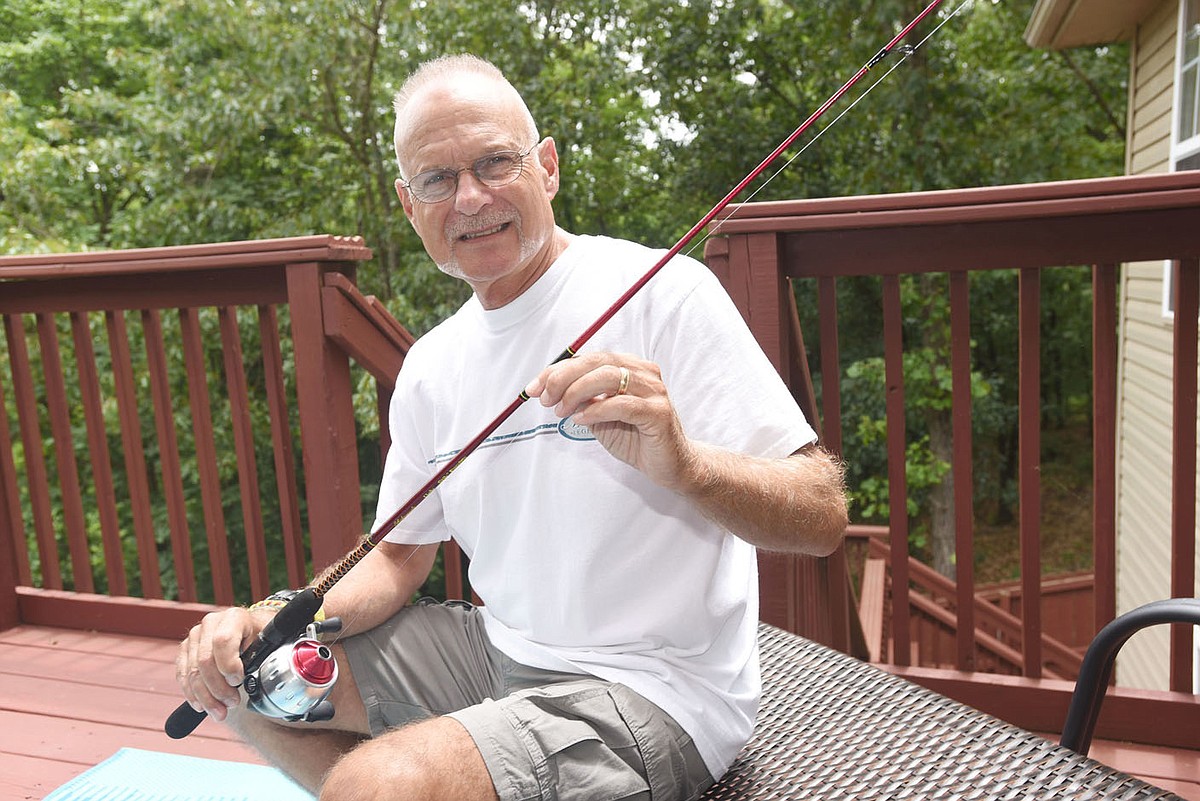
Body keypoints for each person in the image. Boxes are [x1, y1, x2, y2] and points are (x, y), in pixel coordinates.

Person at [176, 53, 848, 801]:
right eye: (437, 179)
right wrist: (269, 616)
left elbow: (822, 513)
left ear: (548, 167)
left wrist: (687, 465)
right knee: (251, 680)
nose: (471, 197)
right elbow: (397, 557)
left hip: (657, 689)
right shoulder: (431, 366)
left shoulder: (667, 293)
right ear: (409, 204)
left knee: (378, 785)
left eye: (495, 162)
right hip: (492, 652)